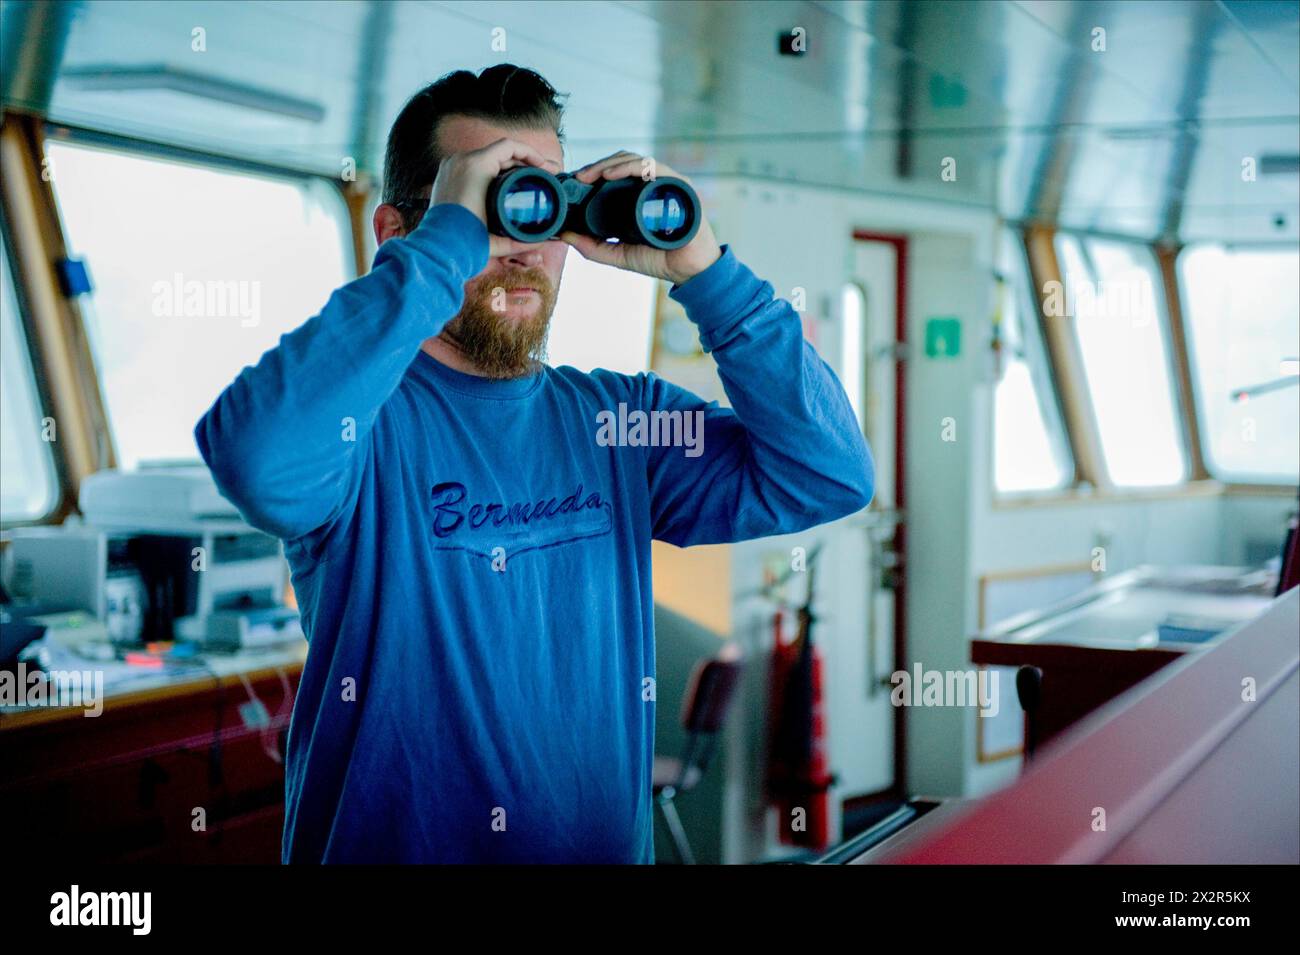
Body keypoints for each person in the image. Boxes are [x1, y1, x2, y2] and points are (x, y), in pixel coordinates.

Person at [196, 64, 874, 863]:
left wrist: (708, 273)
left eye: (541, 206)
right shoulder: (362, 425)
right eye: (492, 207)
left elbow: (829, 471)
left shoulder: (621, 424)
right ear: (398, 231)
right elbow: (254, 455)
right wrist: (444, 245)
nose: (523, 247)